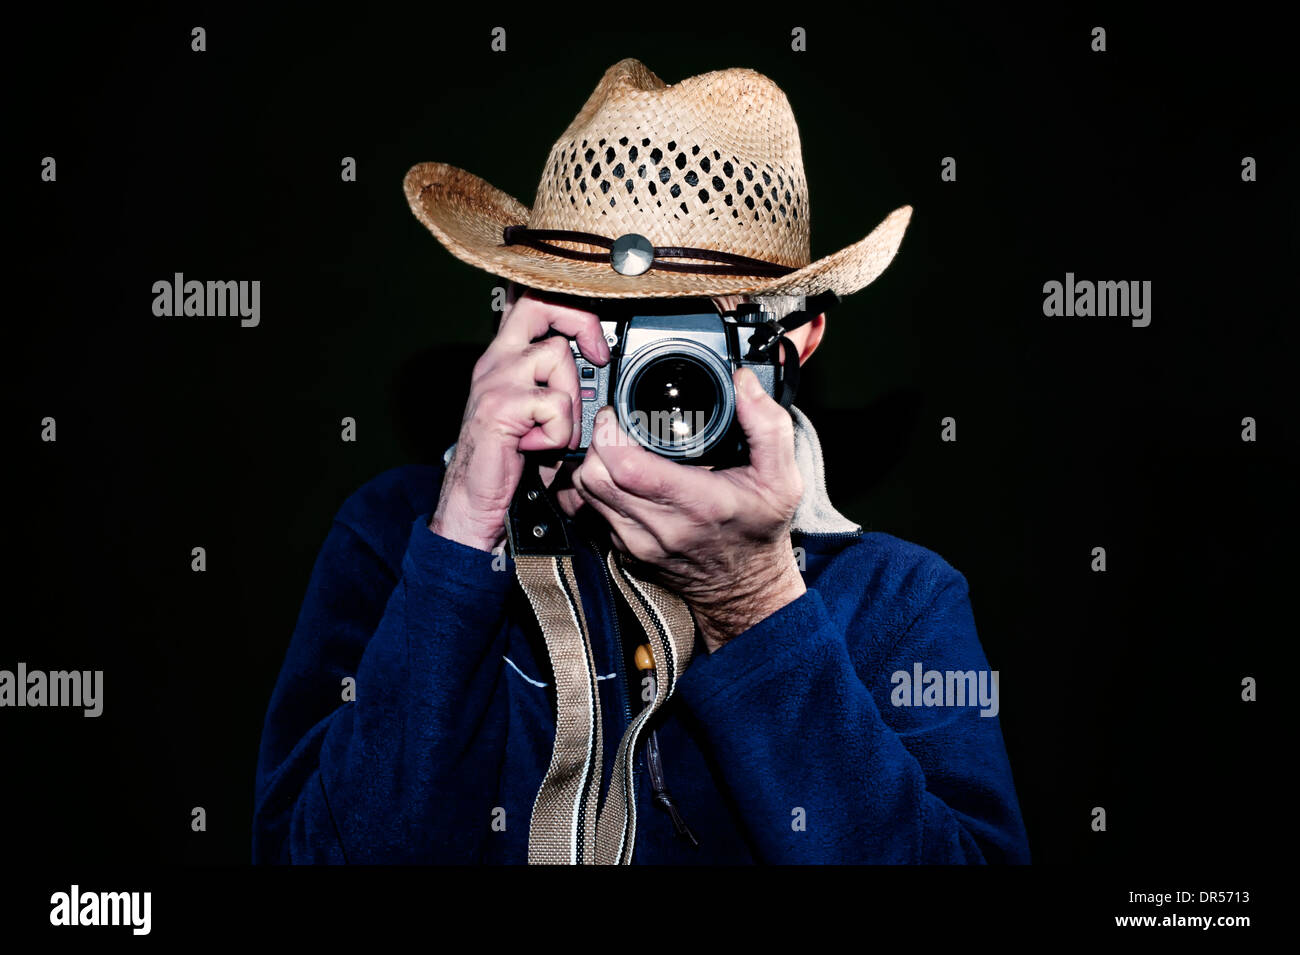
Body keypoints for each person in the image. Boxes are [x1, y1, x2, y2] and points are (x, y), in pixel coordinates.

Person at [253, 58, 1030, 864]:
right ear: (520, 311)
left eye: (685, 335)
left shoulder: (898, 602)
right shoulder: (394, 540)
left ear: (794, 342)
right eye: (600, 324)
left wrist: (756, 607)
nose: (644, 381)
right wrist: (458, 545)